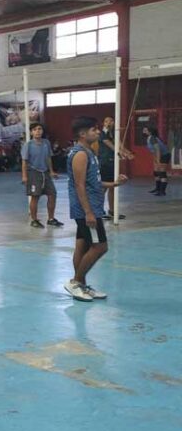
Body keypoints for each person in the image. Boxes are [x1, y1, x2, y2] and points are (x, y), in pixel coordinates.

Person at [65, 116, 127, 300]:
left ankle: (81, 286)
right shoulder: (81, 154)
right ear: (83, 134)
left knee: (82, 246)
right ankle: (76, 282)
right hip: (87, 209)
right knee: (100, 247)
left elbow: (94, 183)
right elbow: (80, 185)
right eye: (94, 130)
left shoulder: (89, 152)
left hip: (91, 207)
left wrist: (114, 184)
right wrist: (88, 212)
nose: (98, 132)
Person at [21, 124, 64, 229]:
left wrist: (51, 171)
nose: (38, 131)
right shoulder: (28, 145)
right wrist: (24, 176)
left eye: (39, 129)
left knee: (52, 194)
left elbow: (48, 158)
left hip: (45, 173)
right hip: (33, 173)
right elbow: (24, 162)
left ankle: (51, 219)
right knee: (35, 196)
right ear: (31, 132)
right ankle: (34, 220)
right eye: (35, 130)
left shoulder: (46, 143)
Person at [98, 117, 134, 218]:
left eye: (111, 121)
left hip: (113, 163)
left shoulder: (113, 134)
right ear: (103, 123)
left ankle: (112, 210)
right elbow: (112, 146)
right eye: (106, 121)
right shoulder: (102, 134)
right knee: (104, 187)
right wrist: (122, 153)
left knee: (113, 187)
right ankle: (99, 210)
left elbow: (120, 145)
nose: (109, 123)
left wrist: (128, 153)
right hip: (105, 163)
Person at [144, 126, 170, 196]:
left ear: (150, 131)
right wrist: (155, 159)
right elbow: (153, 151)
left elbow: (158, 149)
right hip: (158, 156)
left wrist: (158, 161)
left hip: (164, 155)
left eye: (145, 130)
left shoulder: (153, 138)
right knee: (156, 172)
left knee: (162, 173)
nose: (144, 131)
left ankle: (162, 191)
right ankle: (157, 188)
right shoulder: (149, 138)